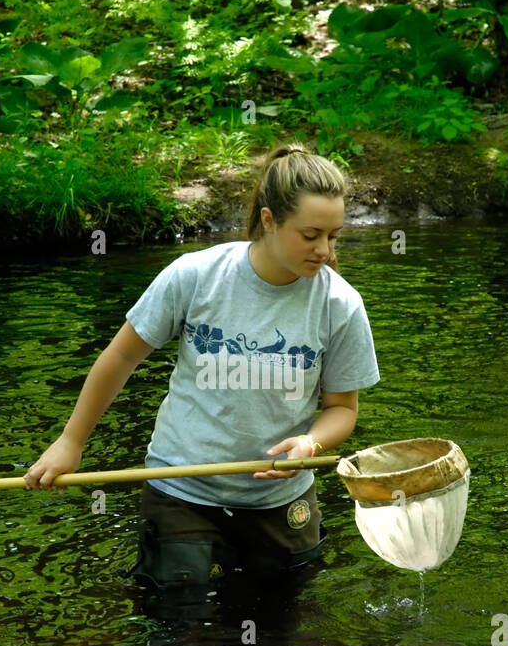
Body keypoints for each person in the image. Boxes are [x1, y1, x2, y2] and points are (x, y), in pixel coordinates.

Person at [24, 144, 380, 593]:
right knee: (180, 633)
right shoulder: (195, 276)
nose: (325, 251)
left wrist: (310, 443)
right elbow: (121, 356)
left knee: (283, 639)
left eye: (334, 236)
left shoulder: (340, 305)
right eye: (310, 235)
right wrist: (70, 442)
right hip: (180, 490)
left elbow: (342, 409)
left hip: (279, 502)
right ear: (268, 220)